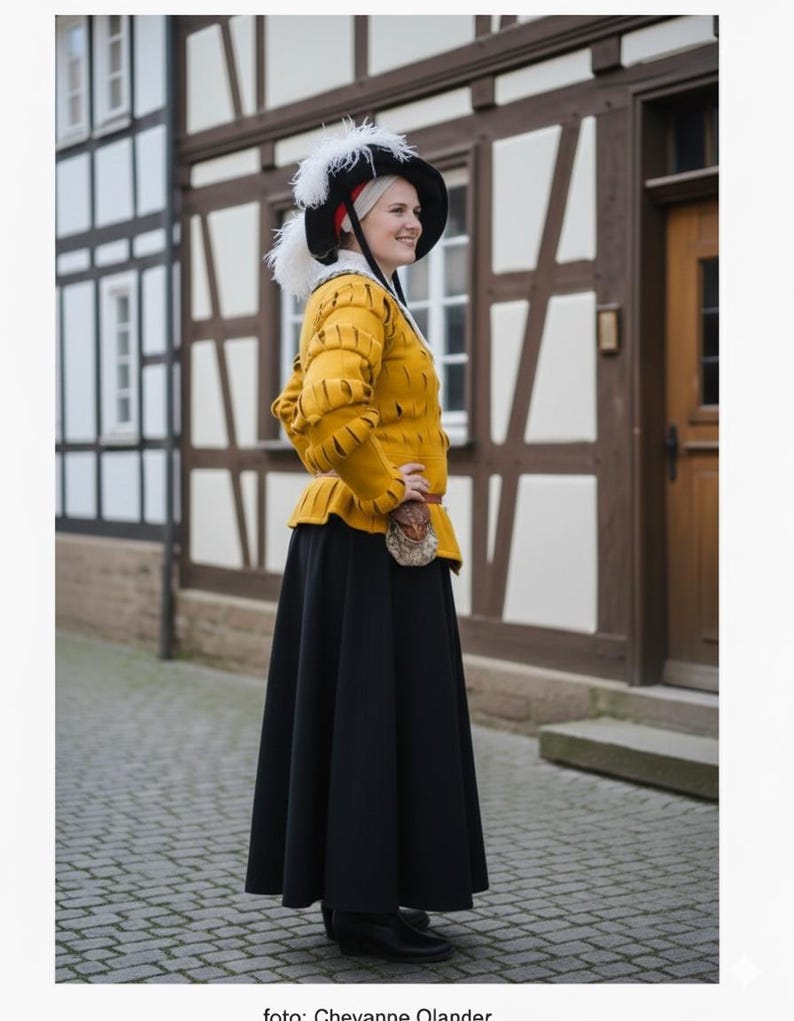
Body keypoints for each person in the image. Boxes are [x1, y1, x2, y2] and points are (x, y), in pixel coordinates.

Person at [244, 119, 488, 963]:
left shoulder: (380, 296)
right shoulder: (351, 293)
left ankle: (373, 892)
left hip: (370, 541)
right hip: (364, 537)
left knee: (388, 719)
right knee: (371, 722)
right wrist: (391, 489)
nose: (413, 221)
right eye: (396, 207)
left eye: (418, 209)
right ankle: (360, 909)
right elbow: (322, 413)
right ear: (349, 217)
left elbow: (296, 403)